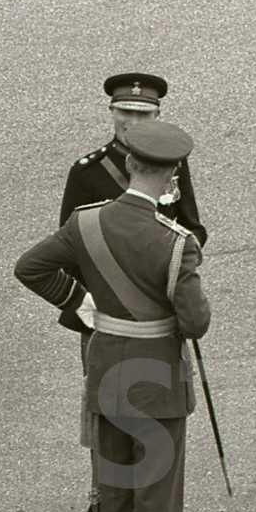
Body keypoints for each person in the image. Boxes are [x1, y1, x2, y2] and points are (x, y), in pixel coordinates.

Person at [15, 119, 211, 512]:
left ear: (128, 163)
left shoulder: (85, 223)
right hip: (158, 386)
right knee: (156, 508)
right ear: (172, 175)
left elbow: (30, 268)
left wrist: (80, 302)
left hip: (106, 378)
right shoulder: (176, 242)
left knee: (116, 501)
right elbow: (195, 323)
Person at [56, 73, 206, 334]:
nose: (133, 122)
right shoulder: (86, 172)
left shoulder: (173, 164)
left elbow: (192, 228)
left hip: (161, 302)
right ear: (111, 111)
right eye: (125, 111)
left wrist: (177, 272)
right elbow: (69, 247)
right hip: (108, 310)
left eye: (144, 114)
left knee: (168, 375)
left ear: (157, 116)